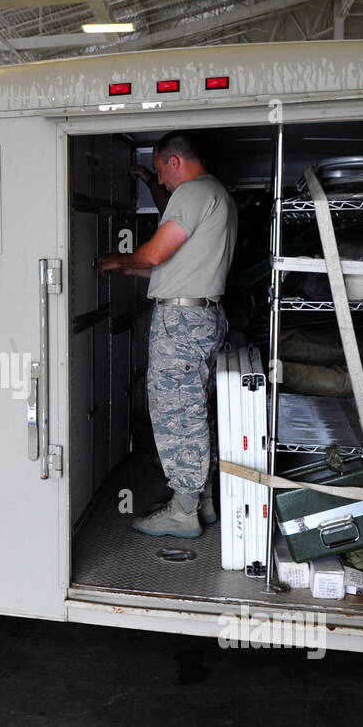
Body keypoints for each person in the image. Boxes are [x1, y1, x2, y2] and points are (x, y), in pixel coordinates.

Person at [96, 131, 236, 539]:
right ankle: (201, 501)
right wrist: (127, 268)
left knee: (177, 414)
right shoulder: (214, 195)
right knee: (195, 411)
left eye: (161, 171)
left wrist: (120, 258)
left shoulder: (193, 193)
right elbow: (172, 265)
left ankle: (183, 511)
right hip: (202, 316)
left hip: (182, 325)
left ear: (176, 162)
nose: (162, 181)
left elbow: (156, 253)